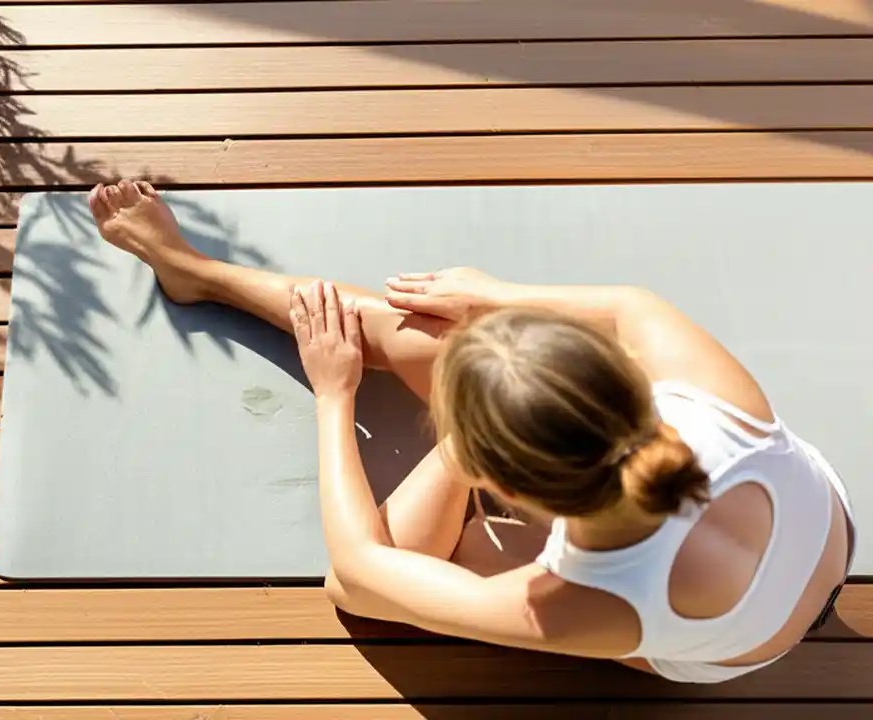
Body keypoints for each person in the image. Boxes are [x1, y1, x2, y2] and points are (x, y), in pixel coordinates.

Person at [88, 178, 856, 683]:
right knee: (446, 340)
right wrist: (492, 299)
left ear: (507, 489)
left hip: (723, 644)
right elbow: (631, 306)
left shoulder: (581, 604)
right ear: (620, 380)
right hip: (810, 541)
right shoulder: (717, 401)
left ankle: (208, 278)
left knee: (394, 564)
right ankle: (196, 272)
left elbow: (358, 577)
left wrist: (336, 393)